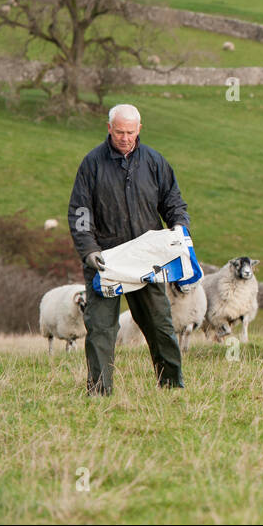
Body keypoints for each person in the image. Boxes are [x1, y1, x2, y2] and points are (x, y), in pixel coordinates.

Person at [68, 103, 190, 395]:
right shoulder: (92, 164)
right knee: (100, 329)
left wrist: (179, 228)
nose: (125, 137)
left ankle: (172, 386)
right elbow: (80, 212)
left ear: (140, 130)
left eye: (130, 132)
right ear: (109, 128)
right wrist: (89, 251)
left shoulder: (154, 162)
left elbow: (173, 202)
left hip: (147, 261)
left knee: (160, 325)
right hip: (106, 260)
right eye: (119, 131)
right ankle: (99, 392)